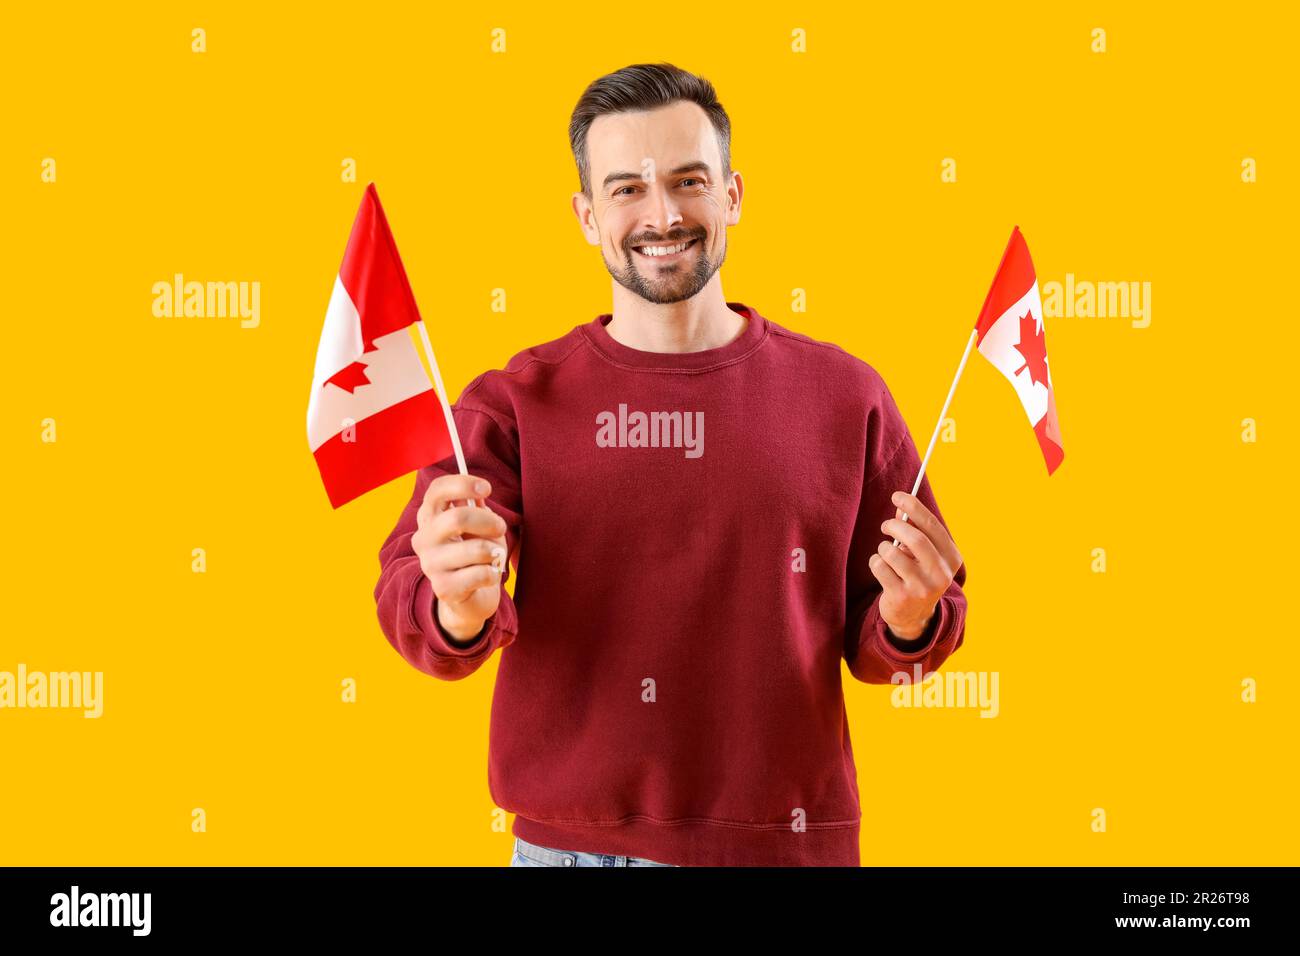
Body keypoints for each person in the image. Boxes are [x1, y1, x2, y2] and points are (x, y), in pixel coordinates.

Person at [374, 62, 967, 868]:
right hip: (572, 854)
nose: (662, 214)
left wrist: (911, 621)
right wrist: (453, 608)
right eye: (626, 190)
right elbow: (414, 605)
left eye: (689, 180)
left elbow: (904, 641)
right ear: (586, 215)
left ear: (732, 195)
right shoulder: (508, 406)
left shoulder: (845, 396)